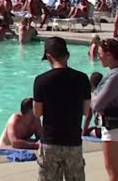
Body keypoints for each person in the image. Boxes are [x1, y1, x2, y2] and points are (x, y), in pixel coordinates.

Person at [33, 37, 90, 181]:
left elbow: (37, 112)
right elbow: (86, 111)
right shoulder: (82, 78)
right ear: (67, 55)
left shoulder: (41, 81)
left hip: (50, 141)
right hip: (73, 141)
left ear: (49, 57)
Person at [92, 38, 118, 181]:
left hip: (113, 124)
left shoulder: (115, 76)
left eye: (101, 53)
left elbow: (97, 104)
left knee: (111, 168)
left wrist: (93, 96)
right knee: (117, 167)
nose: (99, 57)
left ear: (109, 54)